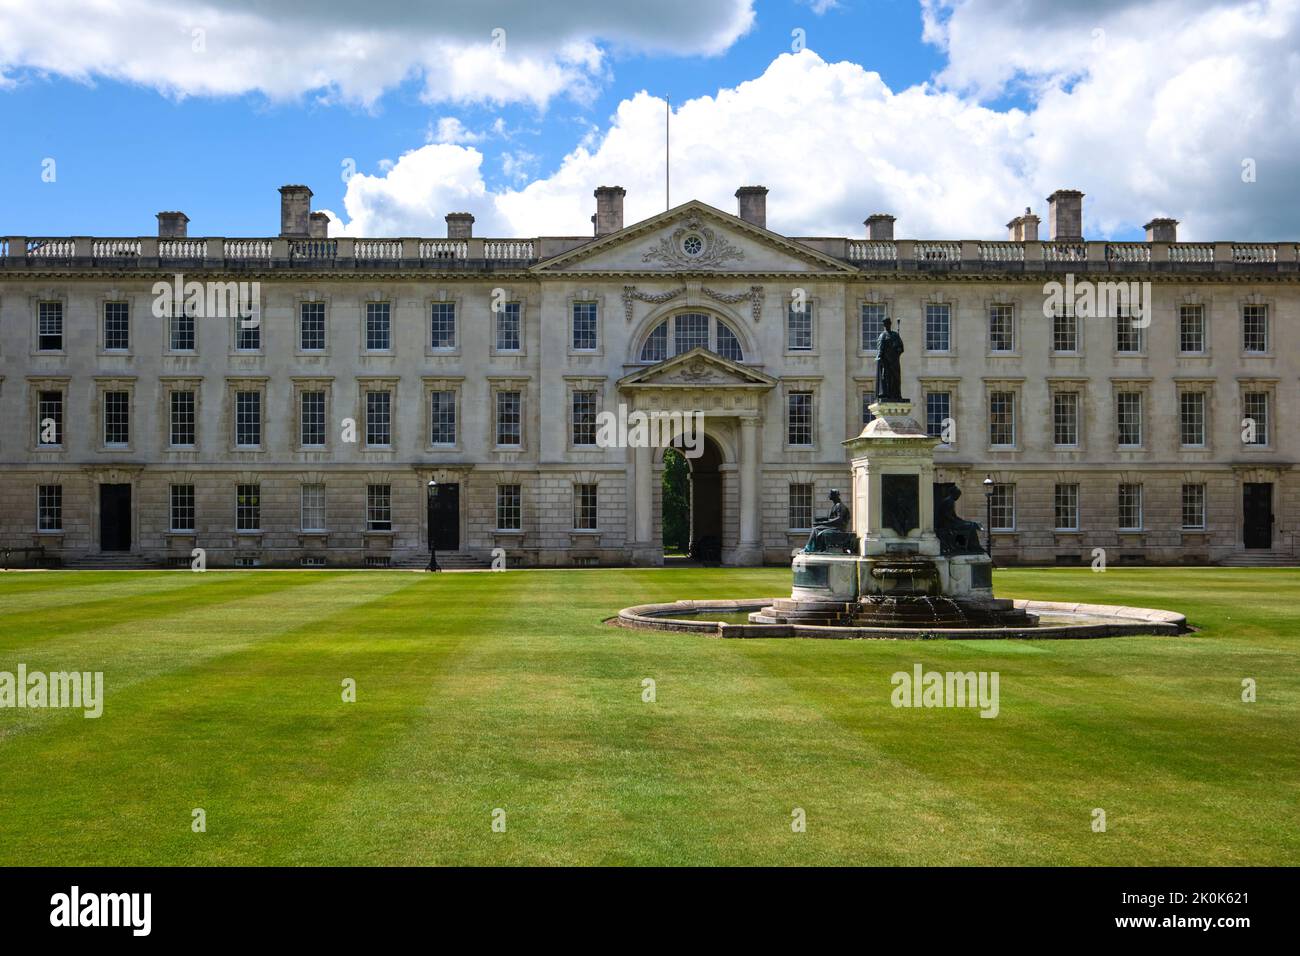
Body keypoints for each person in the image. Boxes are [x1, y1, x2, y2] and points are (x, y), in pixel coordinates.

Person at [874, 316, 904, 402]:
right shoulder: (882, 335)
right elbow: (880, 349)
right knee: (885, 378)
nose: (886, 325)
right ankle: (885, 394)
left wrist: (897, 349)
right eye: (885, 324)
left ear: (890, 324)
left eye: (887, 323)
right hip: (886, 361)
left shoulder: (895, 335)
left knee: (896, 378)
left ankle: (896, 394)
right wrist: (879, 357)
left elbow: (901, 348)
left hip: (894, 361)